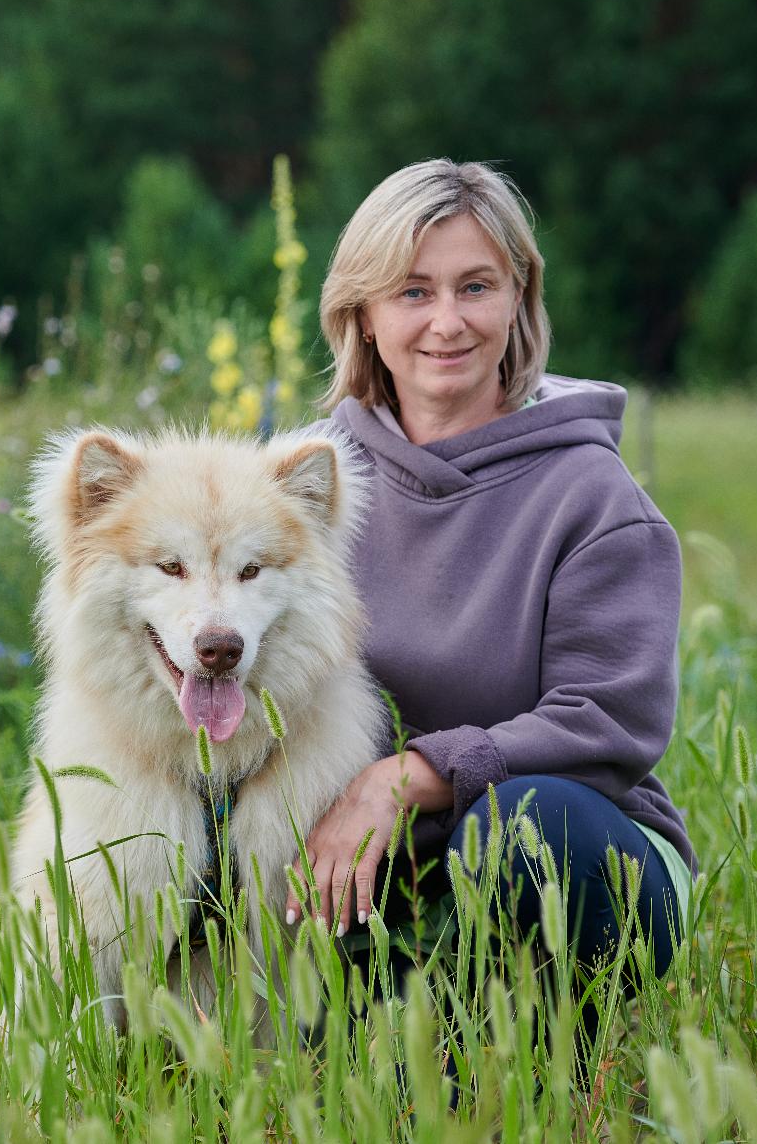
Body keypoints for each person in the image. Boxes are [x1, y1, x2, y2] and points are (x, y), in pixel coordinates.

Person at [284, 158, 694, 983]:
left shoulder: (590, 494)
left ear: (518, 299)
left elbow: (607, 719)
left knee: (521, 823)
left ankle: (558, 1060)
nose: (447, 322)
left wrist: (409, 776)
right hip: (375, 876)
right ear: (362, 314)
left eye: (476, 287)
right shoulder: (309, 489)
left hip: (579, 856)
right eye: (412, 291)